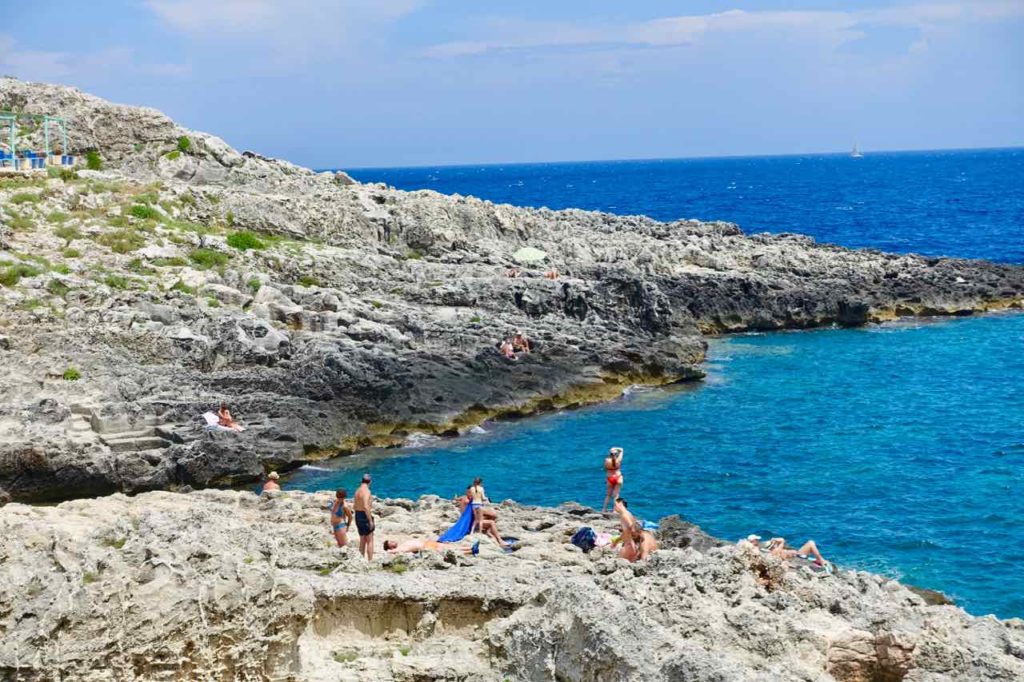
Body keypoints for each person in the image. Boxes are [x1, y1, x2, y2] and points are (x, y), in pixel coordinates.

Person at [746, 535, 828, 567]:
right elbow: (781, 542)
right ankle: (821, 560)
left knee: (810, 543)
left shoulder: (762, 548)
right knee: (811, 543)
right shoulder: (772, 553)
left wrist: (774, 542)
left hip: (795, 554)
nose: (758, 540)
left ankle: (820, 559)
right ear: (754, 541)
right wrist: (780, 543)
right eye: (757, 540)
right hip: (797, 555)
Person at [353, 474, 375, 560]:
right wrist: (370, 520)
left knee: (362, 539)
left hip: (357, 515)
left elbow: (354, 505)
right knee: (370, 540)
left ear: (362, 481)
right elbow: (366, 506)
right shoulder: (367, 491)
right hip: (364, 515)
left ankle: (361, 560)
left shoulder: (357, 490)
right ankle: (370, 561)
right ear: (370, 482)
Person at [602, 447, 624, 513]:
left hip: (610, 478)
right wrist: (616, 448)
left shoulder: (606, 460)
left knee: (608, 495)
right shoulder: (618, 460)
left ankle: (604, 509)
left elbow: (605, 468)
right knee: (616, 495)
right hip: (618, 477)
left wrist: (611, 449)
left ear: (610, 454)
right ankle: (614, 510)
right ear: (617, 454)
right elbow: (622, 450)